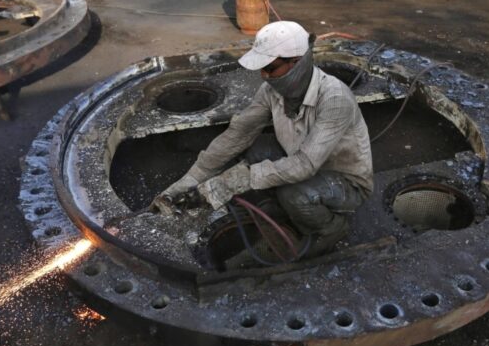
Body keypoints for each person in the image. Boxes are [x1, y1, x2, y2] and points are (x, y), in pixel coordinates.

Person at [151, 21, 373, 258]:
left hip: (344, 181)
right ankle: (282, 208)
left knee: (294, 194)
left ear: (297, 63)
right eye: (262, 69)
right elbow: (238, 134)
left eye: (270, 68)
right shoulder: (271, 91)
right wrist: (188, 182)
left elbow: (305, 165)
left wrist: (235, 181)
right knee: (257, 148)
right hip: (299, 161)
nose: (264, 76)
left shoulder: (335, 98)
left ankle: (331, 229)